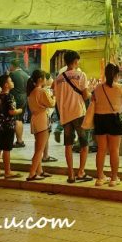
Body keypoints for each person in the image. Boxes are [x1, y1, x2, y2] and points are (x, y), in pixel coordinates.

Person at [53, 51, 92, 184]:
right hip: (78, 113)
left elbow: (56, 98)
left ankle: (71, 174)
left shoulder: (58, 79)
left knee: (68, 145)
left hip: (65, 115)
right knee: (84, 143)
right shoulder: (81, 75)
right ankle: (81, 172)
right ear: (75, 61)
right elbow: (86, 96)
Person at [92, 63, 122, 187]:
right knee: (114, 150)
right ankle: (114, 178)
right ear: (116, 75)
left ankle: (100, 178)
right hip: (114, 119)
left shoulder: (98, 87)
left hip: (99, 119)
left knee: (101, 150)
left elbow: (93, 100)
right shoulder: (121, 88)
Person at [0, 74, 23, 179]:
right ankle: (7, 171)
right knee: (6, 149)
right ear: (6, 85)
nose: (12, 82)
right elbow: (11, 111)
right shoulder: (9, 96)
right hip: (8, 126)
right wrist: (19, 110)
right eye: (10, 81)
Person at [27, 69, 56, 180]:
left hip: (35, 119)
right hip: (42, 119)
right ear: (40, 79)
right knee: (40, 149)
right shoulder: (41, 91)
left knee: (38, 147)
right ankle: (32, 173)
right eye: (45, 78)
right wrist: (55, 96)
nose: (46, 80)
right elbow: (51, 104)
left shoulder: (32, 91)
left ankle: (39, 171)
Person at [9, 59, 30, 148]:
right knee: (20, 119)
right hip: (24, 97)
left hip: (15, 98)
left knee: (16, 119)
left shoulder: (12, 74)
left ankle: (19, 141)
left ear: (13, 65)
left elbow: (8, 86)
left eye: (10, 66)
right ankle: (20, 140)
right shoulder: (26, 75)